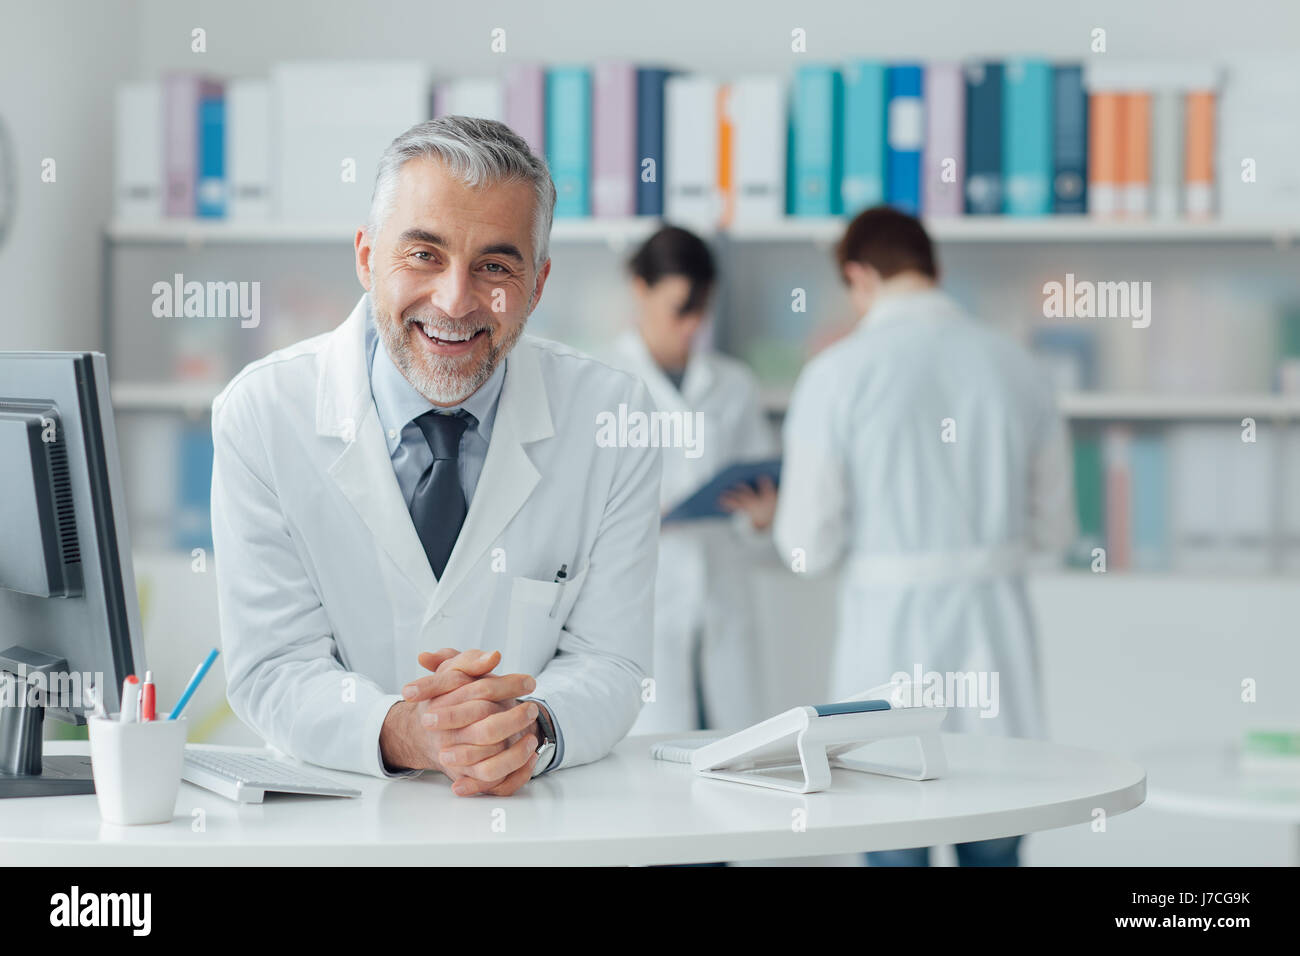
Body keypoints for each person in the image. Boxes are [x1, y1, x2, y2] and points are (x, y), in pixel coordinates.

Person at [210, 116, 662, 798]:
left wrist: (526, 730)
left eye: (495, 266)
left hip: (533, 821)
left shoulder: (613, 418)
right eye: (423, 255)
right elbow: (272, 665)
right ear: (366, 257)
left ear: (536, 286)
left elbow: (612, 662)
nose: (455, 300)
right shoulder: (262, 413)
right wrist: (406, 730)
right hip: (336, 817)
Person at [772, 206, 1076, 865]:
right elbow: (1055, 530)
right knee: (995, 843)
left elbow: (807, 549)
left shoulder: (837, 373)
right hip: (995, 651)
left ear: (858, 276)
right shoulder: (1018, 367)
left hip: (888, 658)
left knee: (892, 842)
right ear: (932, 270)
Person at [604, 225, 778, 735]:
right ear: (641, 288)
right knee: (653, 756)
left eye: (702, 310)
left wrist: (763, 519)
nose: (692, 324)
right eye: (680, 308)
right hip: (645, 602)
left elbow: (758, 492)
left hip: (723, 591)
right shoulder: (602, 381)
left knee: (739, 745)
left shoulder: (734, 384)